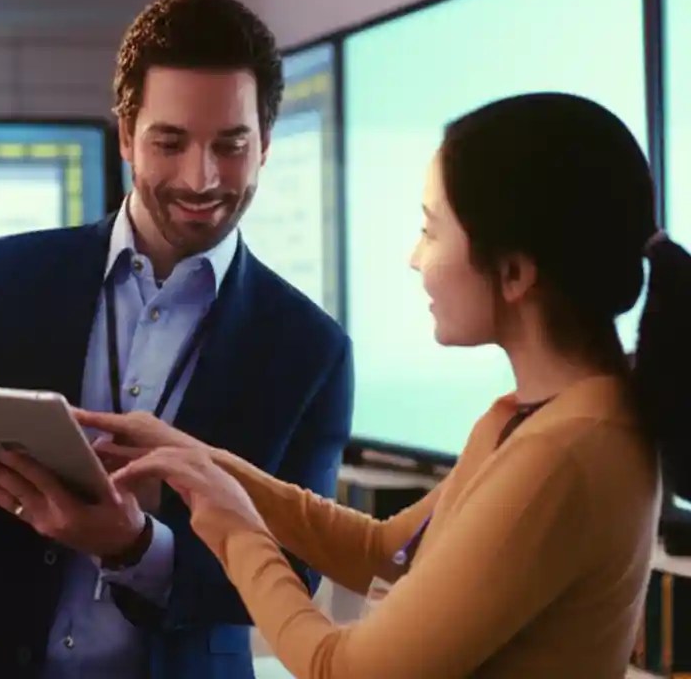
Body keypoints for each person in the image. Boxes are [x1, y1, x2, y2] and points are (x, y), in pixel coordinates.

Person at [78, 92, 691, 678]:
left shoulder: (567, 452)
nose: (414, 257)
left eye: (431, 230)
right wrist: (191, 458)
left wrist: (235, 531)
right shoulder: (534, 416)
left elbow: (343, 669)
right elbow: (388, 549)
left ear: (512, 273)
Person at [0, 0, 354, 679]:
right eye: (170, 143)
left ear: (265, 143)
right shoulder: (0, 278)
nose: (202, 178)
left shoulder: (309, 349)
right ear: (125, 134)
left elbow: (290, 577)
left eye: (231, 146)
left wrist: (139, 548)